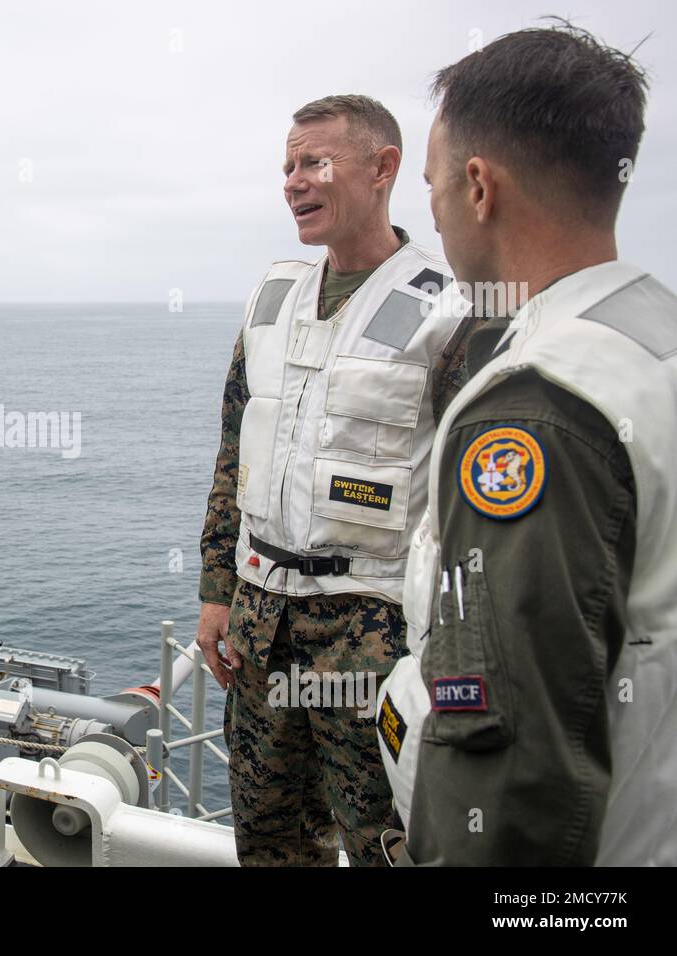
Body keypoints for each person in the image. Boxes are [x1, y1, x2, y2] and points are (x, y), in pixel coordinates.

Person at [378, 22, 676, 866]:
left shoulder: (536, 407)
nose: (434, 217)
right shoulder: (650, 337)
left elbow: (510, 767)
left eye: (433, 189)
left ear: (479, 188)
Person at [196, 95, 475, 866]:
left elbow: (468, 508)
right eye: (287, 165)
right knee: (270, 842)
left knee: (390, 846)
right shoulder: (271, 298)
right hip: (260, 625)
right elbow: (233, 451)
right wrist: (217, 590)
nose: (293, 181)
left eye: (314, 161)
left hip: (375, 640)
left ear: (385, 169)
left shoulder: (450, 311)